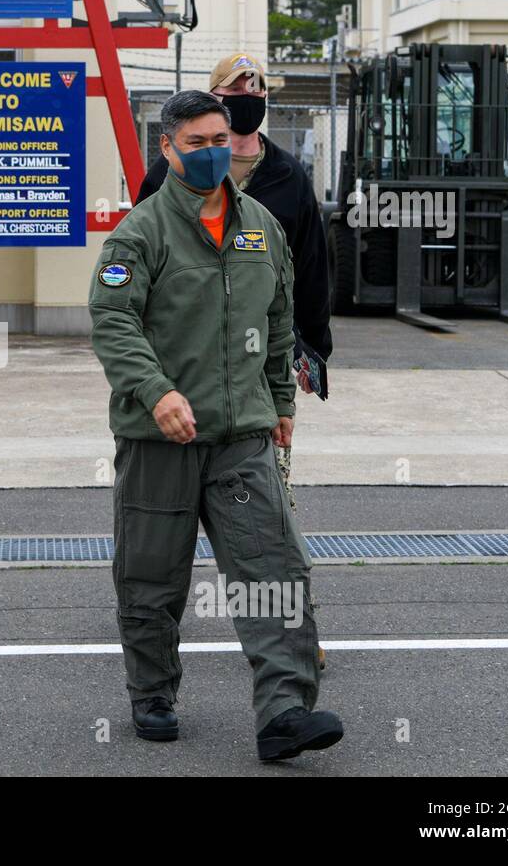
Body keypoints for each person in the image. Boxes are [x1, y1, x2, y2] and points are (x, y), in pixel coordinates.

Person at [90, 90, 343, 762]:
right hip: (158, 441)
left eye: (220, 140)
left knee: (275, 571)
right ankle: (152, 693)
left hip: (242, 436)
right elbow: (113, 324)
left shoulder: (261, 224)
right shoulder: (138, 235)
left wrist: (282, 403)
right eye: (196, 143)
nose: (212, 153)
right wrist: (156, 392)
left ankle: (285, 712)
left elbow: (281, 316)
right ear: (167, 149)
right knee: (151, 580)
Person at [136, 53, 332, 670]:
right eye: (235, 85)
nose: (248, 92)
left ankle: (296, 637)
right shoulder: (160, 181)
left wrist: (311, 349)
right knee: (161, 539)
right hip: (184, 382)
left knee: (274, 514)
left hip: (257, 381)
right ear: (215, 94)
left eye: (256, 85)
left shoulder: (287, 176)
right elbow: (136, 285)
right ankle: (153, 656)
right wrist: (149, 380)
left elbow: (309, 269)